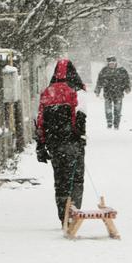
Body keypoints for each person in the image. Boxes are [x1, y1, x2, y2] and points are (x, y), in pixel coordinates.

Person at [35, 58, 87, 223]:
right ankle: (74, 212)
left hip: (55, 143)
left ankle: (63, 214)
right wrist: (80, 137)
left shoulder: (47, 93)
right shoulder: (76, 91)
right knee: (76, 178)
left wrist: (41, 145)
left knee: (61, 179)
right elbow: (81, 118)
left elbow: (41, 121)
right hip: (73, 143)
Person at [94, 56, 131, 129]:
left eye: (113, 63)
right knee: (108, 110)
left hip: (118, 93)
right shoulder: (104, 70)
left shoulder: (122, 70)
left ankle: (116, 125)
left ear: (116, 63)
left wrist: (127, 88)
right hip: (108, 94)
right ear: (108, 63)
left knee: (117, 110)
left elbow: (126, 80)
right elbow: (99, 81)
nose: (112, 64)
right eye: (110, 63)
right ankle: (109, 123)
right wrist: (97, 90)